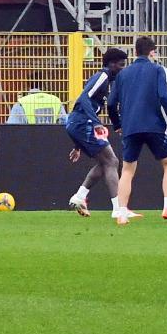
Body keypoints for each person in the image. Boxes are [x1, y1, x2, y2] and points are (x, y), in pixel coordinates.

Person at [109, 34, 167, 225]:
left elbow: (110, 103)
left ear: (135, 52)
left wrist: (117, 124)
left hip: (130, 127)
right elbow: (165, 98)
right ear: (152, 52)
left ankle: (122, 212)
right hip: (154, 125)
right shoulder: (157, 70)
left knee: (127, 170)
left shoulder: (123, 74)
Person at [64, 45, 127, 217]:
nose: (122, 69)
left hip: (78, 124)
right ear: (112, 64)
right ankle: (118, 209)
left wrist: (77, 146)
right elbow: (84, 97)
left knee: (105, 163)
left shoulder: (108, 81)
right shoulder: (103, 75)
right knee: (112, 161)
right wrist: (96, 122)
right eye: (121, 65)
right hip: (83, 123)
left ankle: (79, 197)